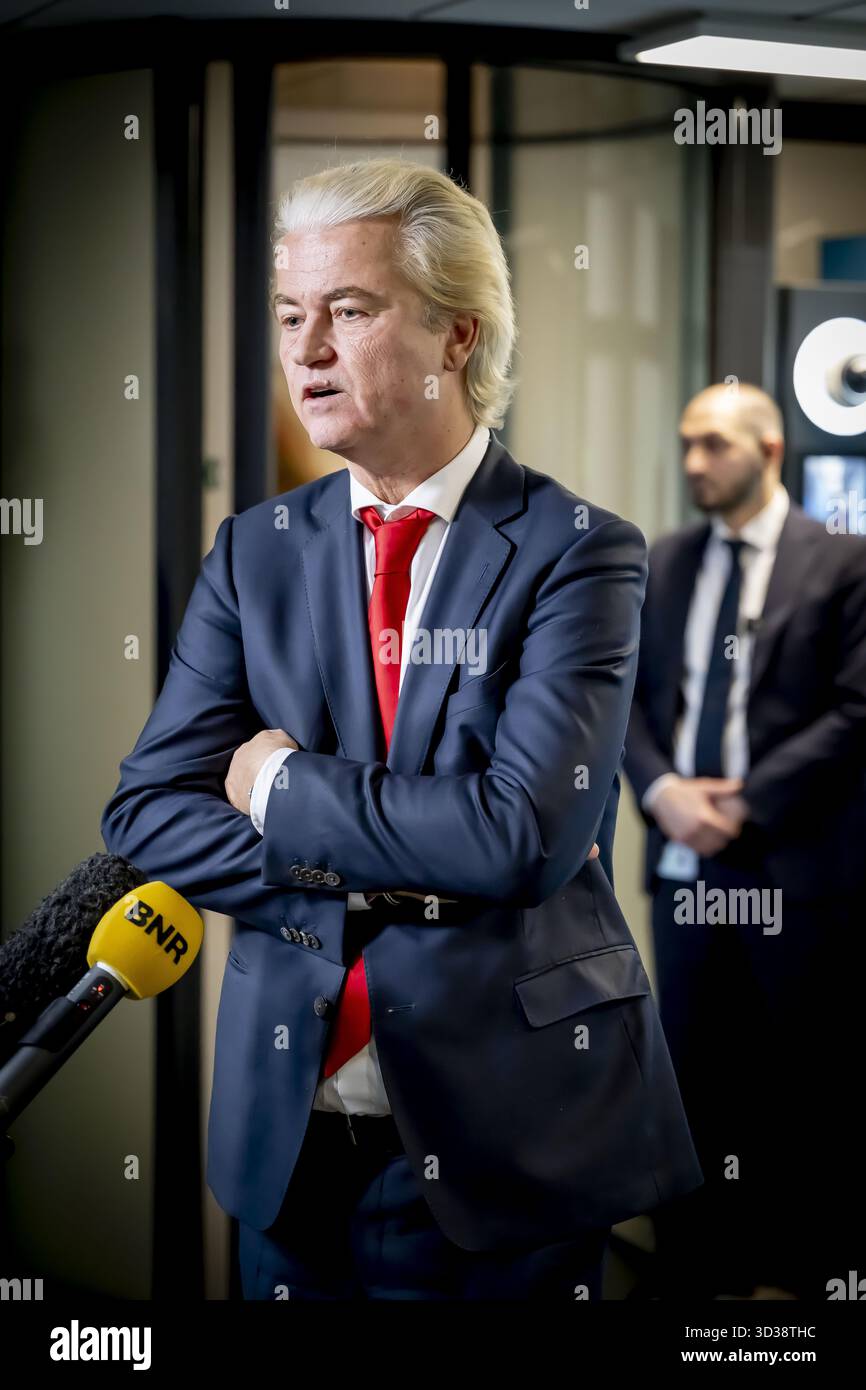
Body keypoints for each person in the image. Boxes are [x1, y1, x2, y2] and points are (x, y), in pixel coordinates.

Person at [102, 157, 701, 1301]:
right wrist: (395, 868)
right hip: (290, 1144)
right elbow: (143, 810)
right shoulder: (255, 550)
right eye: (289, 315)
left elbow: (518, 836)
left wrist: (278, 789)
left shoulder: (580, 549)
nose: (305, 347)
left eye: (350, 310)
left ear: (455, 338)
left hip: (511, 1148)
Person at [625, 381, 866, 1299]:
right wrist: (663, 792)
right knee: (692, 1082)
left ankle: (799, 1285)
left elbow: (856, 710)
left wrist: (747, 802)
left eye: (715, 445)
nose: (694, 463)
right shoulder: (667, 560)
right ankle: (699, 1283)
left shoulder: (842, 562)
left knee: (806, 1087)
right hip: (688, 869)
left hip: (799, 874)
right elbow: (633, 709)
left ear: (769, 452)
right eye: (687, 444)